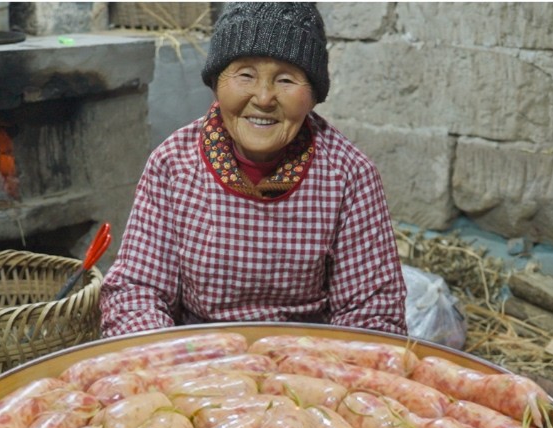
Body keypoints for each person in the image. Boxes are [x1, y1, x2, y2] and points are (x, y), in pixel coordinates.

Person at [99, 2, 408, 338]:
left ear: (313, 96)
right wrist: (174, 358)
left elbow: (372, 313)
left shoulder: (349, 175)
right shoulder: (173, 164)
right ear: (216, 83)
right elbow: (137, 292)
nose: (263, 98)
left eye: (286, 79)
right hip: (197, 355)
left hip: (308, 355)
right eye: (245, 75)